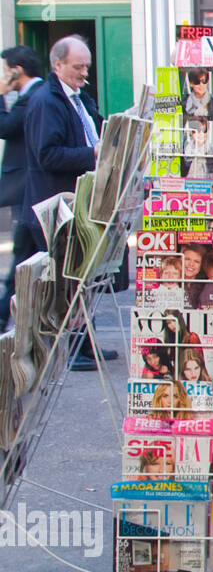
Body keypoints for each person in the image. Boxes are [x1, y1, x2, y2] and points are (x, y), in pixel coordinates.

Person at [23, 35, 118, 369]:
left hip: (80, 203)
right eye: (78, 67)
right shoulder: (45, 102)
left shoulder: (79, 97)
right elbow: (47, 155)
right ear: (57, 64)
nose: (84, 72)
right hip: (55, 205)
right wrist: (91, 154)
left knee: (80, 277)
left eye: (87, 66)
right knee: (64, 280)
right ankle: (72, 348)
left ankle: (84, 343)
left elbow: (98, 128)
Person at [0, 45, 44, 325]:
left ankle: (4, 313)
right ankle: (5, 312)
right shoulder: (30, 96)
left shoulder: (32, 98)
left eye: (5, 70)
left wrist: (1, 93)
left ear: (17, 71)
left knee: (25, 257)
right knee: (23, 256)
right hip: (28, 189)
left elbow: (5, 127)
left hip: (30, 189)